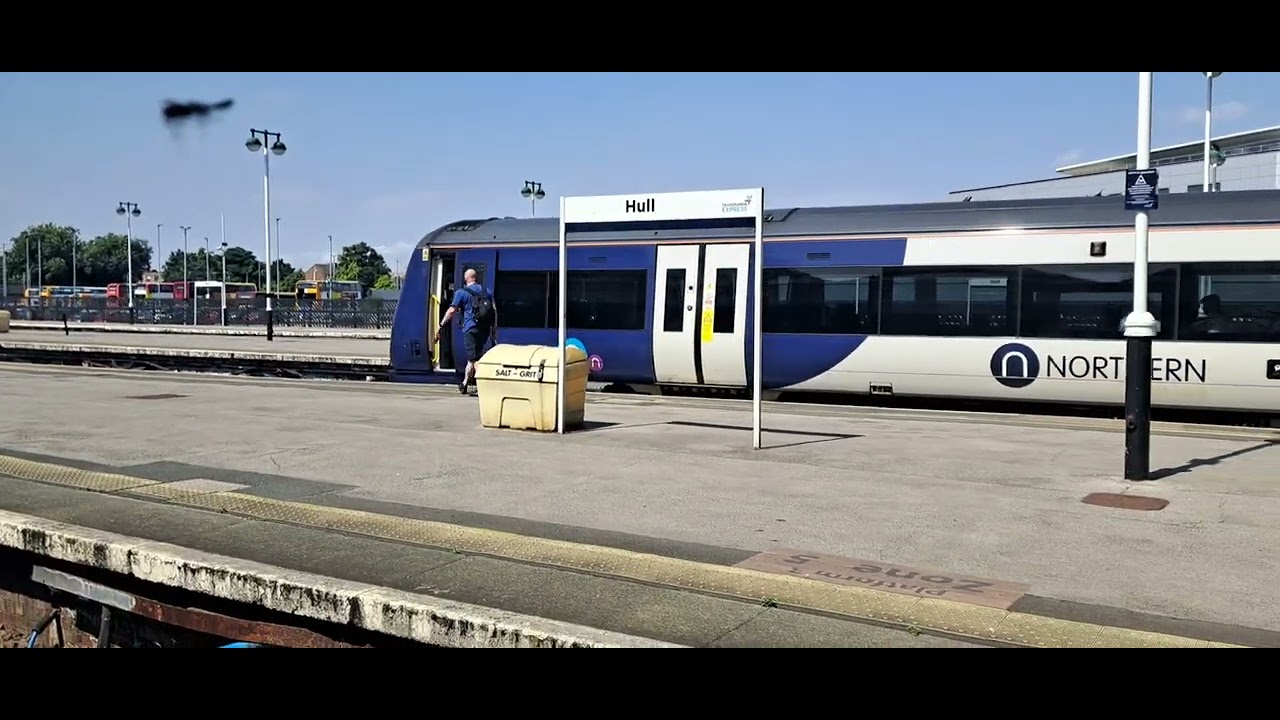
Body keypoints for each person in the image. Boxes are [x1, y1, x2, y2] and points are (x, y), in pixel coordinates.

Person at [435, 269, 497, 394]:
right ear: (476, 277)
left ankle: (480, 385)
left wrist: (441, 325)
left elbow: (452, 311)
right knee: (475, 357)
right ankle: (466, 384)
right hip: (484, 329)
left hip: (470, 329)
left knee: (473, 359)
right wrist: (494, 329)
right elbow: (494, 310)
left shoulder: (462, 293)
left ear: (466, 278)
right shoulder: (487, 291)